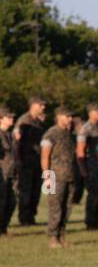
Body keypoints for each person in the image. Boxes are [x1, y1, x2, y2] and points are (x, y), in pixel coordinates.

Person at [41, 107, 76, 248]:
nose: (70, 119)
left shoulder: (68, 134)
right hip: (55, 176)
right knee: (55, 208)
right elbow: (45, 157)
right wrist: (47, 176)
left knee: (66, 207)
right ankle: (53, 238)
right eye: (67, 116)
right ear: (59, 116)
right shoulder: (51, 134)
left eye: (71, 116)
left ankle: (61, 236)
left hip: (69, 175)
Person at [14, 97, 47, 226]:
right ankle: (24, 218)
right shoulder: (24, 121)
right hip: (26, 162)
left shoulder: (38, 122)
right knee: (26, 191)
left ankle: (31, 217)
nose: (43, 107)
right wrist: (19, 162)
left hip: (36, 161)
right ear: (33, 105)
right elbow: (17, 143)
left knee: (35, 190)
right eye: (41, 105)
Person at [77, 103, 98, 230]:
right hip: (91, 165)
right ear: (91, 113)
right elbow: (80, 151)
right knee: (93, 195)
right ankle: (91, 222)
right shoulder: (86, 129)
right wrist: (83, 170)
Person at [0, 108, 15, 235]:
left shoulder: (10, 134)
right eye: (8, 117)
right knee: (2, 201)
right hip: (2, 173)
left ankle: (3, 228)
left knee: (11, 202)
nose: (12, 119)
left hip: (10, 172)